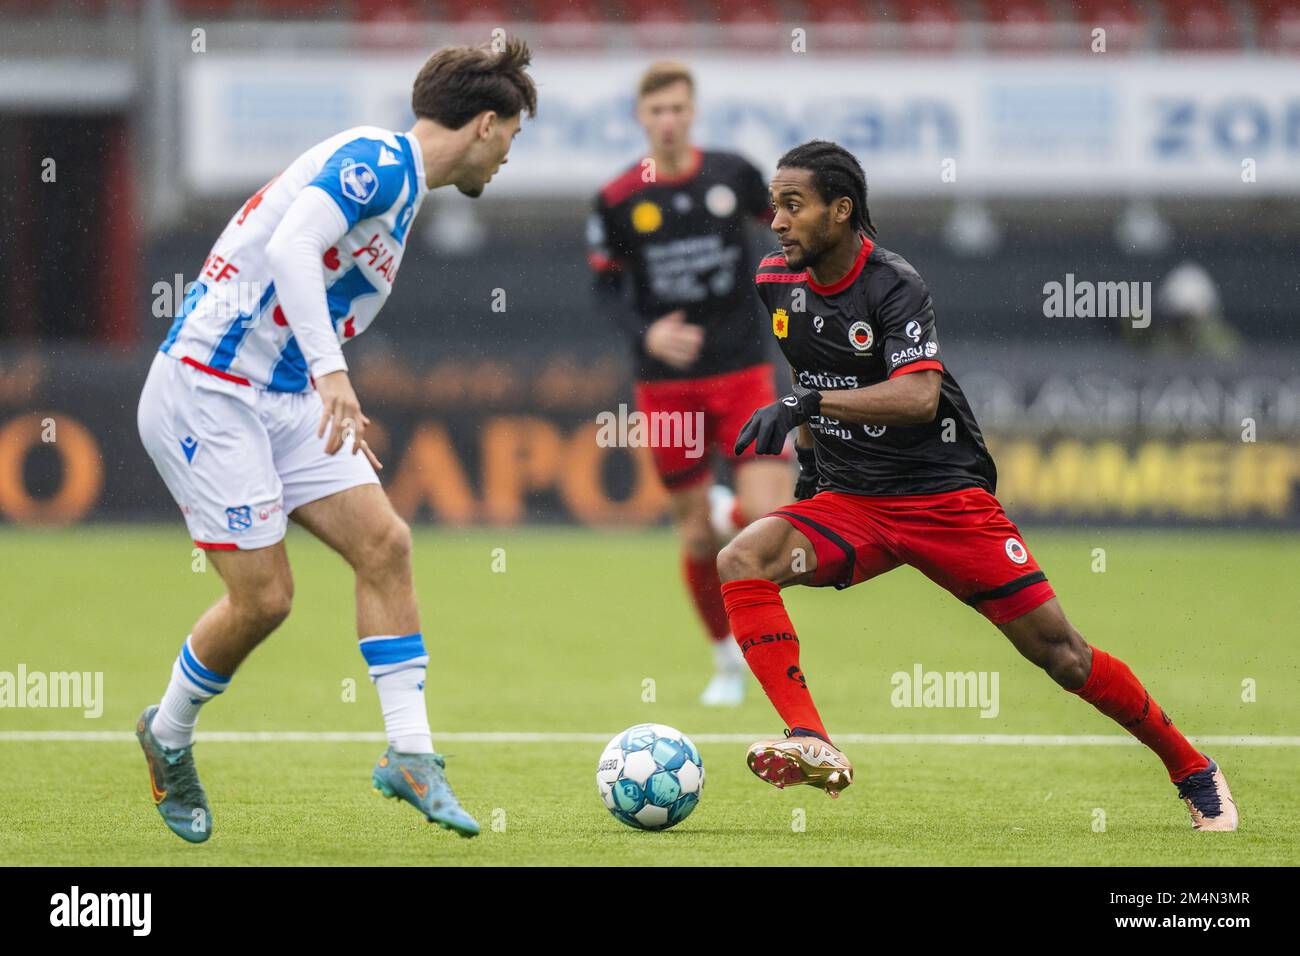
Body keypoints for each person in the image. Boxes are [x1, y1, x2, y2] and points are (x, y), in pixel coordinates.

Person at [721, 140, 1238, 832]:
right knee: (741, 559)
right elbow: (809, 373)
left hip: (943, 501)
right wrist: (811, 474)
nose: (777, 222)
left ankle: (1193, 768)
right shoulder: (776, 280)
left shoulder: (893, 283)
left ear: (840, 211)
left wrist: (806, 409)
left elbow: (918, 398)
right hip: (854, 505)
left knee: (1062, 654)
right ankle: (810, 737)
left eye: (794, 205)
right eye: (775, 206)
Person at [134, 39, 537, 843]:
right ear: (486, 125)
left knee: (385, 545)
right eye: (514, 135)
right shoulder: (378, 161)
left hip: (280, 396)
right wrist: (334, 374)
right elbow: (290, 248)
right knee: (266, 599)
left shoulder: (406, 185)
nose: (508, 155)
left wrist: (314, 378)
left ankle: (412, 755)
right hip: (209, 389)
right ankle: (168, 732)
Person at [588, 61, 793, 706]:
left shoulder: (733, 173)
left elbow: (788, 234)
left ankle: (732, 507)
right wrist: (646, 334)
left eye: (679, 108)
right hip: (666, 388)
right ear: (641, 119)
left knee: (765, 520)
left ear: (693, 111)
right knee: (696, 537)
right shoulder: (619, 198)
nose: (669, 121)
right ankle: (725, 659)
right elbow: (606, 285)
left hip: (742, 372)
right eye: (657, 111)